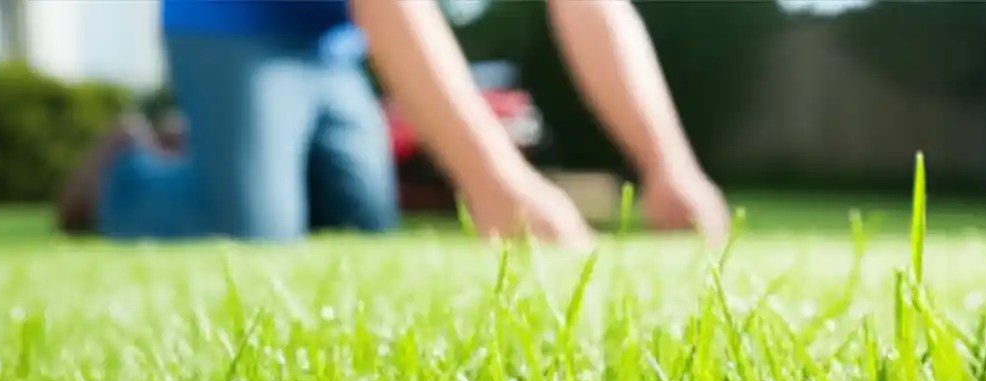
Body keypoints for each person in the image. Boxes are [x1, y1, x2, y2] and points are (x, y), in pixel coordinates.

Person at [57, 0, 730, 246]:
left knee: (359, 222)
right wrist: (498, 186)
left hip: (329, 41)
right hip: (229, 22)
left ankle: (220, 145)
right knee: (258, 231)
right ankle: (125, 172)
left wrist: (669, 165)